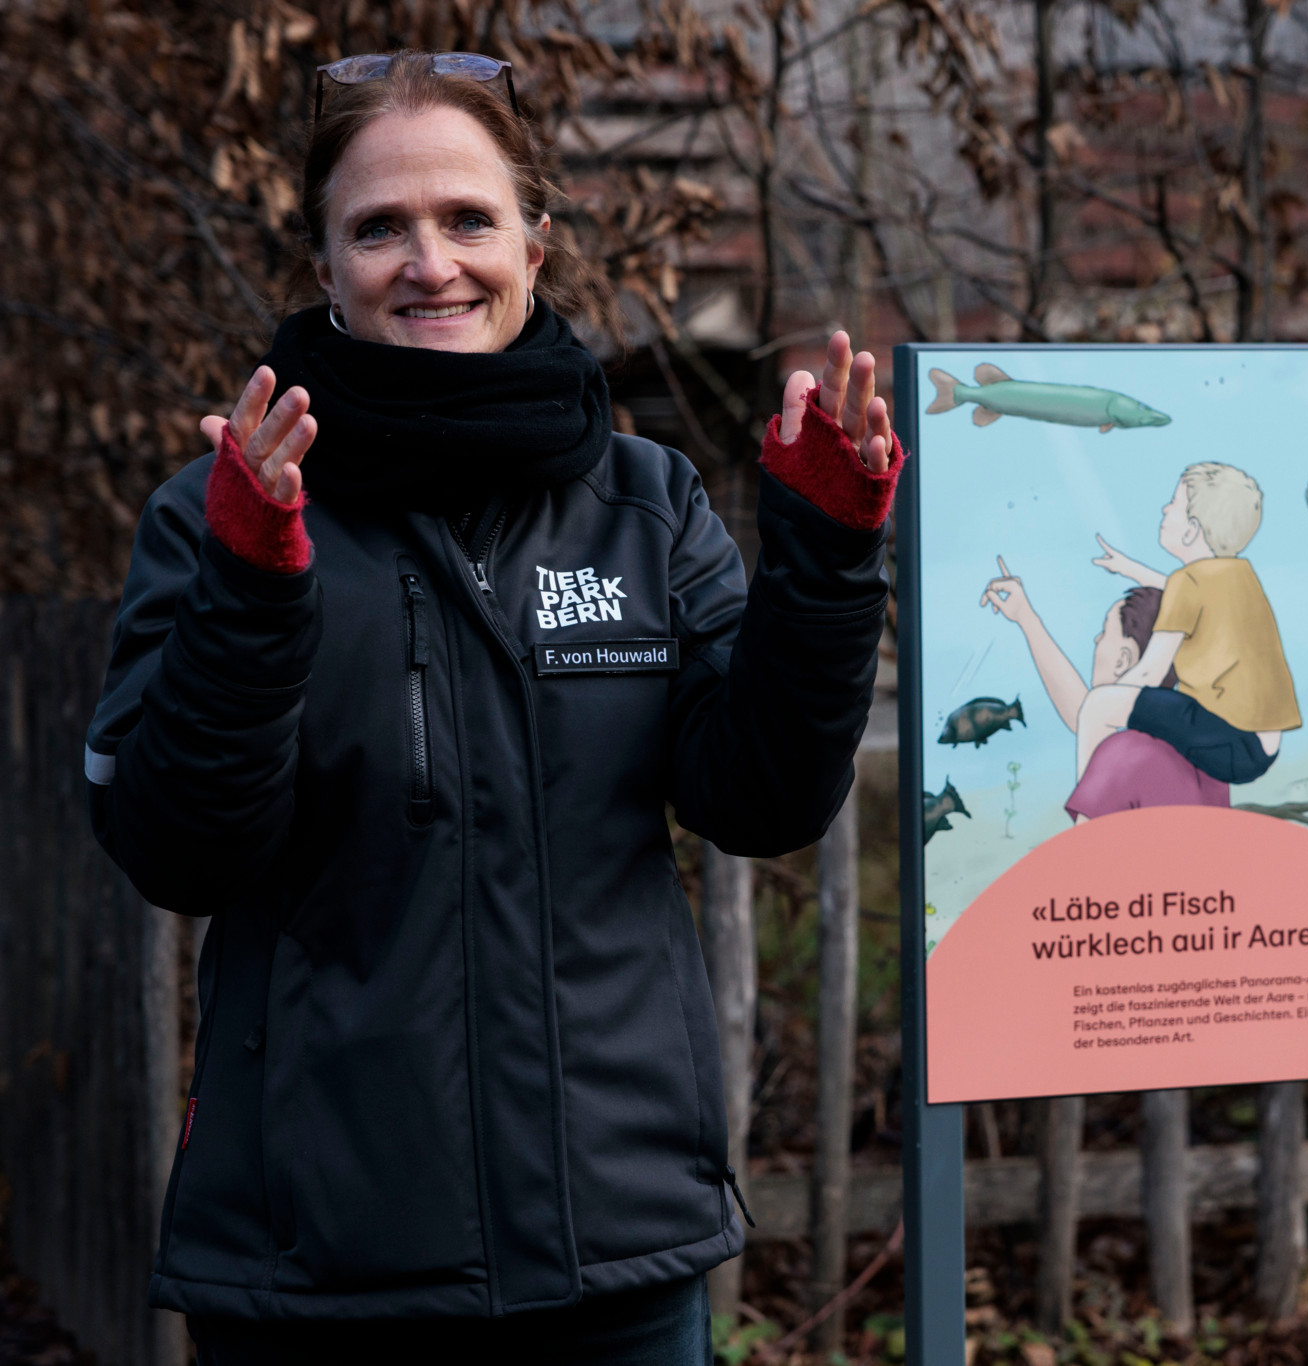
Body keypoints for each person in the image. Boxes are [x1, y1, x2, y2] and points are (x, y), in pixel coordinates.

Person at [83, 52, 901, 1365]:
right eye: (379, 228)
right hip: (319, 1272)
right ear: (324, 262)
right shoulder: (218, 514)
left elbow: (761, 798)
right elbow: (183, 850)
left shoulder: (646, 503)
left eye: (468, 218)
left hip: (614, 1253)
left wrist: (830, 556)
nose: (431, 264)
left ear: (535, 242)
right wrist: (252, 586)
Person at [1081, 462, 1300, 788]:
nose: (1164, 509)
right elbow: (1188, 598)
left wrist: (1115, 698)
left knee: (1097, 706)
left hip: (1230, 740)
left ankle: (1089, 809)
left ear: (1192, 530)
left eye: (1174, 504)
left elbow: (1150, 673)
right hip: (1262, 747)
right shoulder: (1238, 574)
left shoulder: (1188, 582)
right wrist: (1130, 569)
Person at [978, 557, 1227, 818]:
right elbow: (1085, 713)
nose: (1097, 639)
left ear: (1123, 660)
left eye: (1105, 631)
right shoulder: (1203, 744)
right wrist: (1026, 618)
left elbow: (1090, 838)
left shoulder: (1122, 754)